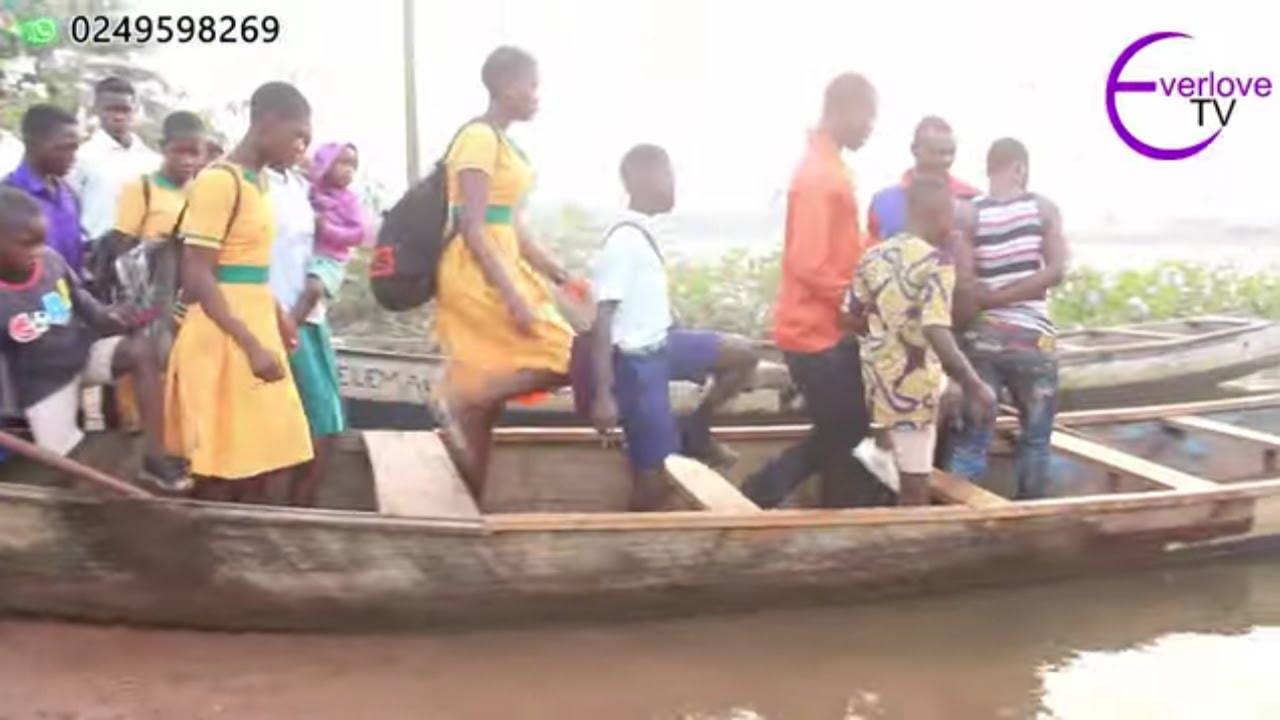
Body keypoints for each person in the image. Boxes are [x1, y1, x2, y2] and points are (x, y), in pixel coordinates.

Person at [431, 46, 582, 500]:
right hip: (477, 268)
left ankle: (468, 502)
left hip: (503, 259)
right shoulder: (477, 138)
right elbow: (473, 226)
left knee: (484, 415)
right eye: (530, 85)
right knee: (569, 356)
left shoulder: (506, 144)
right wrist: (513, 295)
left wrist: (560, 275)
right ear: (503, 85)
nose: (536, 95)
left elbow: (513, 225)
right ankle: (461, 396)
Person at [164, 81, 314, 503]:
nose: (300, 147)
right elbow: (198, 274)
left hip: (256, 324)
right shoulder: (218, 182)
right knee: (221, 462)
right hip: (224, 336)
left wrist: (277, 316)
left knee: (264, 453)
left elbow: (249, 267)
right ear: (266, 121)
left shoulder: (258, 183)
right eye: (297, 135)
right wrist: (250, 344)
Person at [588, 144, 760, 510]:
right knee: (659, 477)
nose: (673, 185)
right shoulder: (622, 240)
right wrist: (604, 394)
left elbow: (641, 302)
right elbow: (602, 319)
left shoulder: (643, 232)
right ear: (640, 178)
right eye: (666, 175)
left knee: (743, 355)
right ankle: (638, 534)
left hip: (666, 343)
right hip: (637, 365)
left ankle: (695, 431)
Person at [740, 73, 883, 509]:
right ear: (842, 110)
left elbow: (839, 252)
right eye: (867, 117)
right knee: (846, 429)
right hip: (814, 333)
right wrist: (855, 307)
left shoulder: (829, 167)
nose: (870, 127)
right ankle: (759, 492)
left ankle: (834, 506)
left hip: (826, 329)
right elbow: (809, 263)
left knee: (845, 429)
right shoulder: (821, 177)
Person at [0, 186, 189, 489]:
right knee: (67, 465)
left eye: (40, 241)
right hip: (44, 385)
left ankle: (155, 458)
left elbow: (83, 303)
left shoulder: (50, 262)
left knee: (141, 350)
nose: (37, 250)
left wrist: (113, 318)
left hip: (81, 354)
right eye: (26, 244)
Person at [847, 177, 996, 505]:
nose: (953, 228)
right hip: (912, 387)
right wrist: (974, 384)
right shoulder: (936, 262)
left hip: (877, 378)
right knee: (915, 491)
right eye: (951, 217)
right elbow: (935, 329)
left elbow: (851, 314)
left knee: (946, 395)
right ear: (935, 213)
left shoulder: (873, 257)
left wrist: (887, 338)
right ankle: (899, 489)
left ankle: (883, 447)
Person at [946, 138, 1068, 499]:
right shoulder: (1043, 209)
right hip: (1033, 339)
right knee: (1035, 440)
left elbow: (964, 284)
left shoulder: (968, 214)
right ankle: (1031, 517)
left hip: (983, 338)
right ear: (1019, 168)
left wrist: (991, 300)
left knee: (973, 438)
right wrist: (1014, 295)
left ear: (989, 169)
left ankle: (953, 510)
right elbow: (1056, 271)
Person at [105, 110, 208, 433]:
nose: (187, 160)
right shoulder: (142, 188)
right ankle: (132, 427)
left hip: (186, 295)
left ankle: (170, 428)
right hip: (147, 292)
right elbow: (122, 245)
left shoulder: (203, 193)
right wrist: (137, 300)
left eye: (195, 152)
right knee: (143, 360)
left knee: (177, 364)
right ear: (164, 147)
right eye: (180, 151)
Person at [267, 141, 347, 507]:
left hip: (306, 321)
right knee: (280, 424)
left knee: (325, 421)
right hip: (269, 319)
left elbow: (334, 248)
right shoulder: (249, 185)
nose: (298, 146)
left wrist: (316, 287)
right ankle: (280, 511)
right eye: (294, 136)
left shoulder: (304, 189)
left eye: (305, 140)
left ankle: (300, 507)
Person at [68, 77, 162, 243]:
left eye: (125, 110)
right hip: (95, 251)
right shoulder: (81, 158)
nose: (119, 117)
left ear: (135, 109)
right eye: (111, 109)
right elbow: (69, 208)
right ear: (97, 109)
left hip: (143, 251)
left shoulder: (152, 161)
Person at [866, 116, 980, 243]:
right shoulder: (882, 202)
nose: (946, 160)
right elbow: (870, 250)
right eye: (938, 152)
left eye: (951, 153)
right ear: (914, 149)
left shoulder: (970, 197)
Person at [4, 105, 83, 276]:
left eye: (75, 148)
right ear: (32, 144)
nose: (73, 157)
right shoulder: (7, 201)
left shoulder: (69, 194)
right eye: (65, 148)